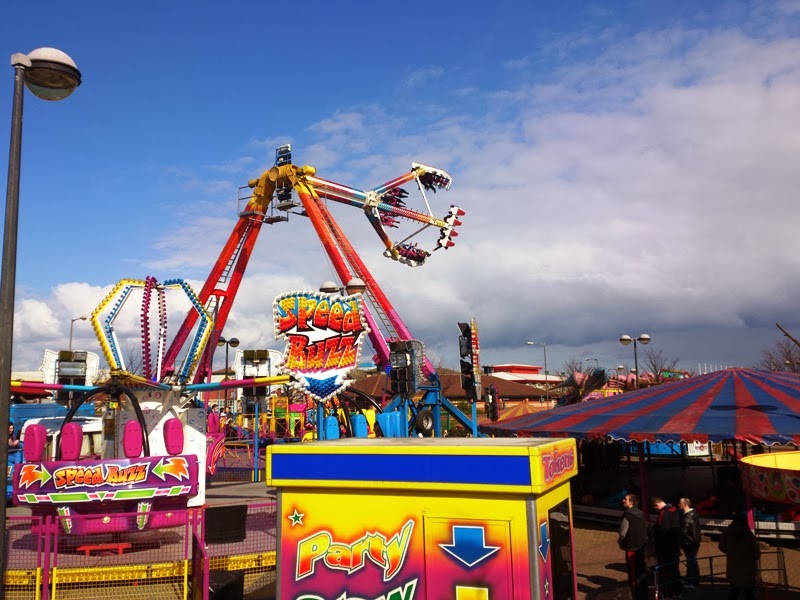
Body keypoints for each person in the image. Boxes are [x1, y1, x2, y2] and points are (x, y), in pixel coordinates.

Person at [719, 512, 760, 600]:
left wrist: (730, 553)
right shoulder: (749, 535)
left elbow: (721, 547)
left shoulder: (727, 532)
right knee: (749, 593)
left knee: (734, 591)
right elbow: (756, 553)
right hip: (748, 569)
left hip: (733, 567)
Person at [618, 493, 649, 600]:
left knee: (633, 574)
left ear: (631, 502)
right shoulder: (641, 514)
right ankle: (644, 594)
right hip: (641, 547)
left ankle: (637, 596)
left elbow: (622, 533)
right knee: (641, 572)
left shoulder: (628, 515)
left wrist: (620, 543)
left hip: (631, 548)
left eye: (625, 499)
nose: (623, 500)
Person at [652, 495, 682, 600]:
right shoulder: (673, 511)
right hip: (673, 548)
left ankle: (668, 594)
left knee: (666, 573)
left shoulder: (665, 513)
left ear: (657, 505)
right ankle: (678, 592)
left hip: (666, 550)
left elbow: (662, 532)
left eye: (655, 508)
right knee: (675, 571)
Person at [679, 497, 701, 587]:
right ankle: (692, 579)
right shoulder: (693, 514)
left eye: (680, 503)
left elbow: (683, 531)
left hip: (689, 542)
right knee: (692, 561)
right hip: (694, 541)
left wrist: (679, 542)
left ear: (685, 504)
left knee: (691, 561)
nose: (678, 504)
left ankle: (692, 581)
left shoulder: (687, 517)